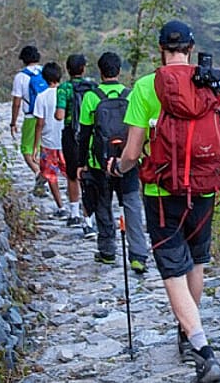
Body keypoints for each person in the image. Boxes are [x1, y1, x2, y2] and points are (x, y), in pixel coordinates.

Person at [109, 20, 220, 383]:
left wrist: (118, 168)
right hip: (204, 189)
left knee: (172, 266)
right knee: (196, 260)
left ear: (160, 49)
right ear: (191, 47)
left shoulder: (144, 86)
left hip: (161, 192)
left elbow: (133, 152)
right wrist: (219, 165)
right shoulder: (213, 83)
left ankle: (201, 346)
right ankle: (187, 333)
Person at [75, 51, 150, 272]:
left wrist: (82, 163)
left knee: (103, 207)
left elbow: (84, 135)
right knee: (132, 206)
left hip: (100, 164)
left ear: (100, 71)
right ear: (119, 71)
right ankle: (138, 256)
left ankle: (107, 252)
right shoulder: (131, 95)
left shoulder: (92, 97)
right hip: (127, 160)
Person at [55, 54, 96, 234]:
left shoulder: (64, 88)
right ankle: (89, 219)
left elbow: (60, 115)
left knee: (72, 174)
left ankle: (74, 213)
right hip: (91, 134)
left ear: (68, 69)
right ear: (83, 69)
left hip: (71, 135)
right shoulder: (92, 87)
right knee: (88, 176)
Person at [9, 45, 46, 195]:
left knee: (27, 150)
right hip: (48, 117)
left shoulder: (21, 77)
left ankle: (38, 173)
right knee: (43, 148)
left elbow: (17, 102)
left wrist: (13, 122)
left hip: (31, 117)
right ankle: (45, 173)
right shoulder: (46, 71)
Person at [33, 61, 68, 217]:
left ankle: (61, 206)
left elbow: (40, 123)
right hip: (66, 141)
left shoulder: (41, 97)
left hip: (49, 142)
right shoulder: (67, 93)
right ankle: (76, 204)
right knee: (72, 175)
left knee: (51, 175)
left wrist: (36, 145)